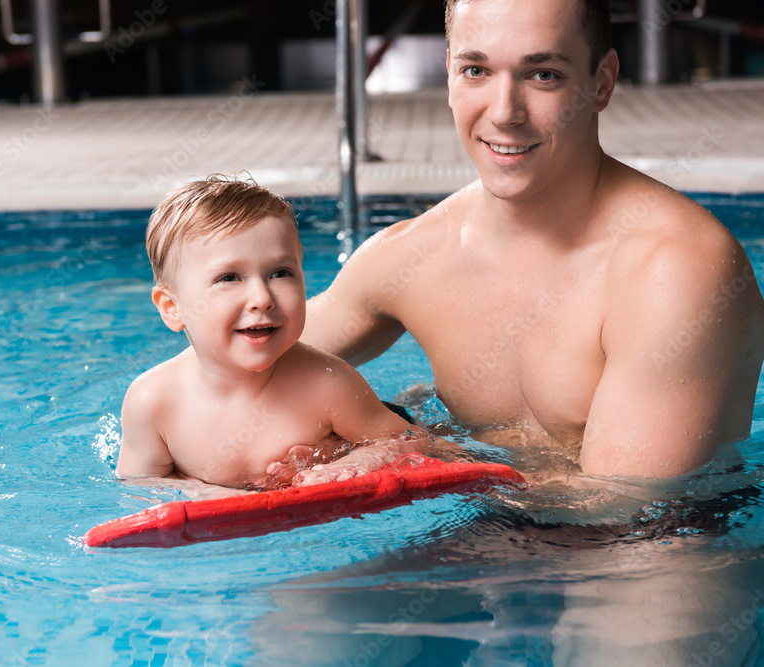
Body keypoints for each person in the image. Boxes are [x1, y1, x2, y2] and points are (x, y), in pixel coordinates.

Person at [297, 0, 764, 481]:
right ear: (450, 78)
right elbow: (237, 356)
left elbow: (622, 510)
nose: (504, 113)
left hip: (649, 546)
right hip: (483, 527)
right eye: (476, 70)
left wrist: (407, 450)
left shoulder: (677, 267)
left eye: (542, 75)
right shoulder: (413, 255)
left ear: (600, 82)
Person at [115, 175, 428, 492]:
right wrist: (200, 492)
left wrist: (349, 464)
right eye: (229, 277)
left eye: (280, 273)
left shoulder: (327, 384)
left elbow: (413, 443)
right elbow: (139, 484)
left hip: (371, 422)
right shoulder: (153, 403)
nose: (262, 297)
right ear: (172, 307)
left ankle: (417, 397)